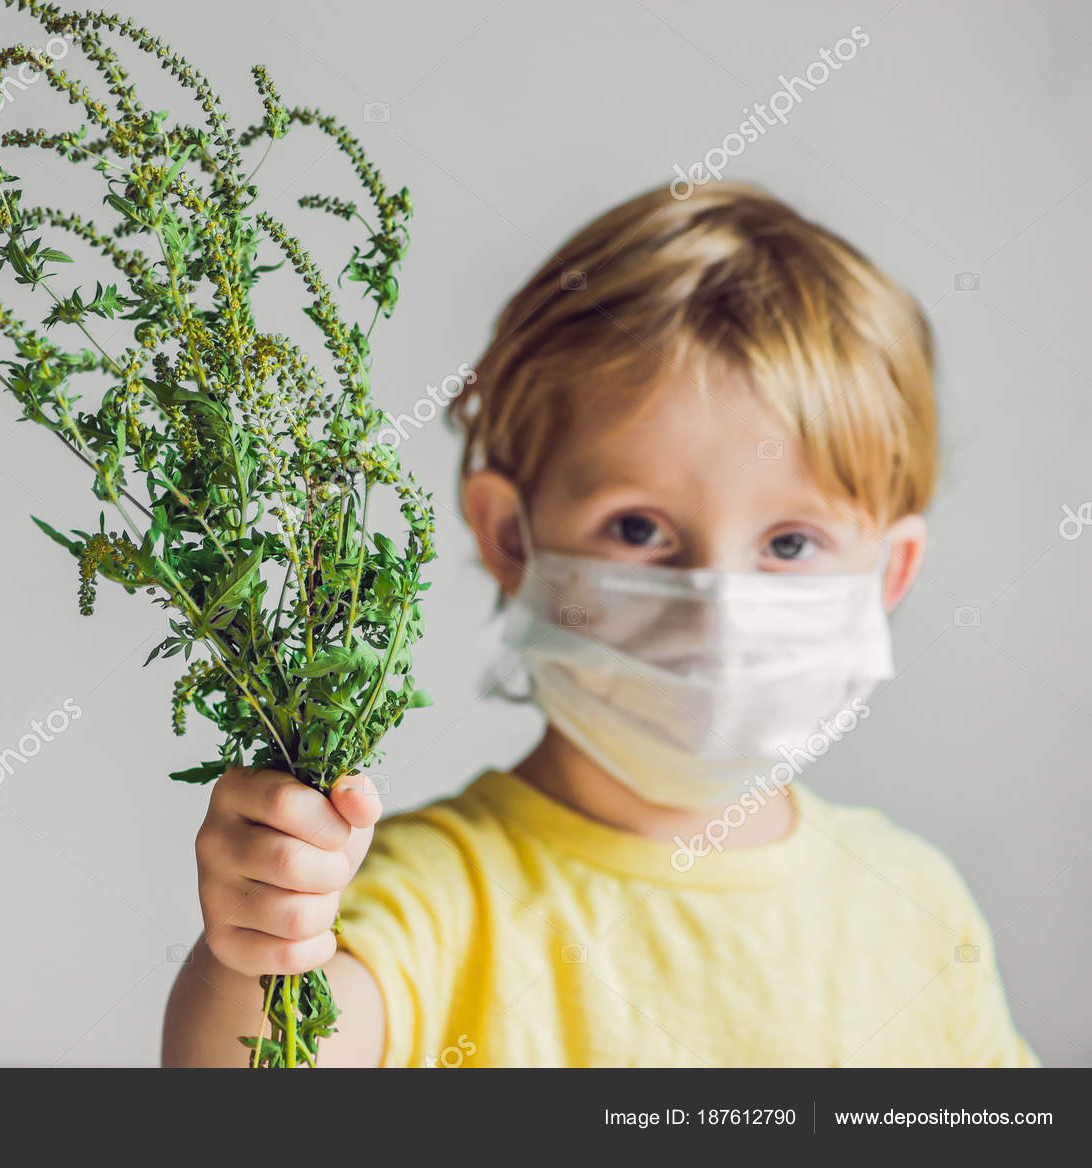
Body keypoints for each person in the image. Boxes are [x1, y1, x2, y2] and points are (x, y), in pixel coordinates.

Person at [162, 182, 1037, 1067]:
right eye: (639, 529)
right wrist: (259, 947)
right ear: (512, 536)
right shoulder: (425, 902)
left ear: (889, 573)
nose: (715, 604)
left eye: (790, 541)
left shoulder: (918, 911)